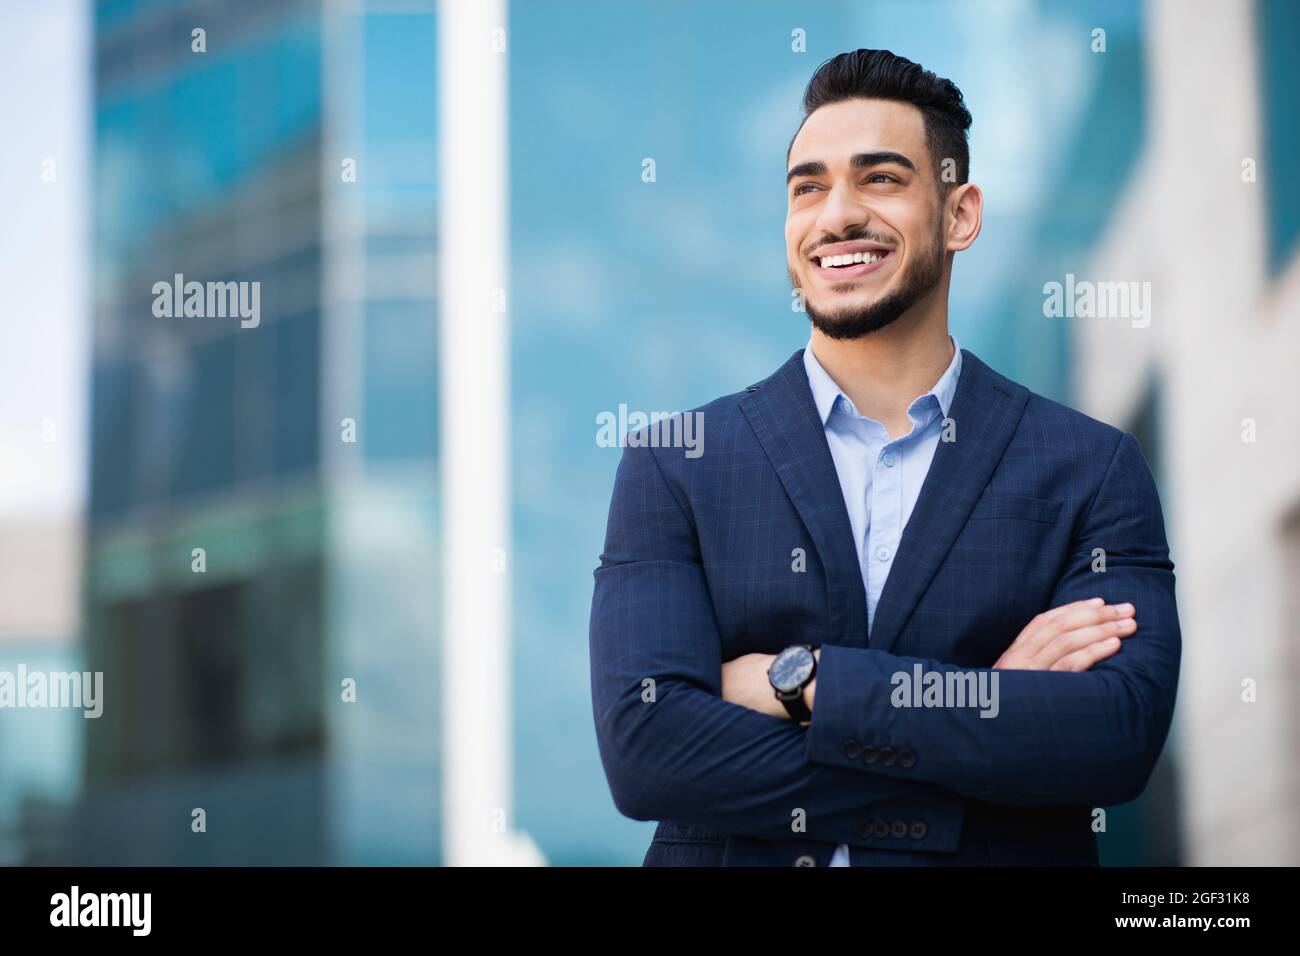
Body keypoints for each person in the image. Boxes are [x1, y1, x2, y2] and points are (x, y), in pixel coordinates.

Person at [589, 48, 1180, 866]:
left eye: (880, 179)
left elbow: (1114, 736)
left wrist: (804, 683)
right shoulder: (676, 464)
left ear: (960, 214)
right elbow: (647, 748)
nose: (836, 216)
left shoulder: (1090, 466)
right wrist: (986, 706)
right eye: (808, 188)